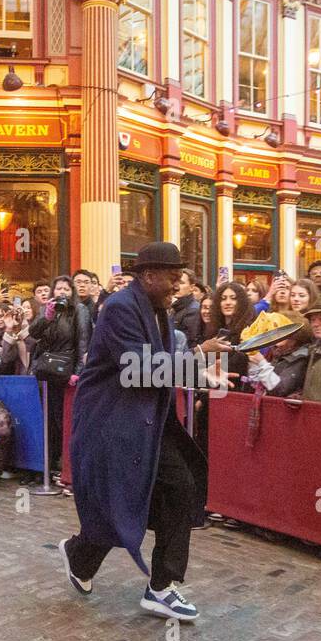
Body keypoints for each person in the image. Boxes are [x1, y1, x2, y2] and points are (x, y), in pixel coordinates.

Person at [59, 241, 209, 621]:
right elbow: (138, 370)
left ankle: (161, 586)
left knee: (179, 487)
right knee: (118, 503)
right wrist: (197, 363)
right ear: (148, 275)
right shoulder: (121, 308)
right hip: (113, 424)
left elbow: (161, 365)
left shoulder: (160, 309)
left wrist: (204, 365)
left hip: (148, 423)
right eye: (173, 277)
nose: (178, 284)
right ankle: (81, 555)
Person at [30, 275, 91, 477]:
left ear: (72, 292)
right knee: (47, 420)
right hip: (45, 371)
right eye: (58, 289)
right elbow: (34, 334)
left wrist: (78, 372)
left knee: (62, 420)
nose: (62, 292)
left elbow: (83, 342)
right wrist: (46, 316)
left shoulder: (79, 310)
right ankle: (47, 467)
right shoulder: (46, 310)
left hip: (65, 373)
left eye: (66, 288)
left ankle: (66, 469)